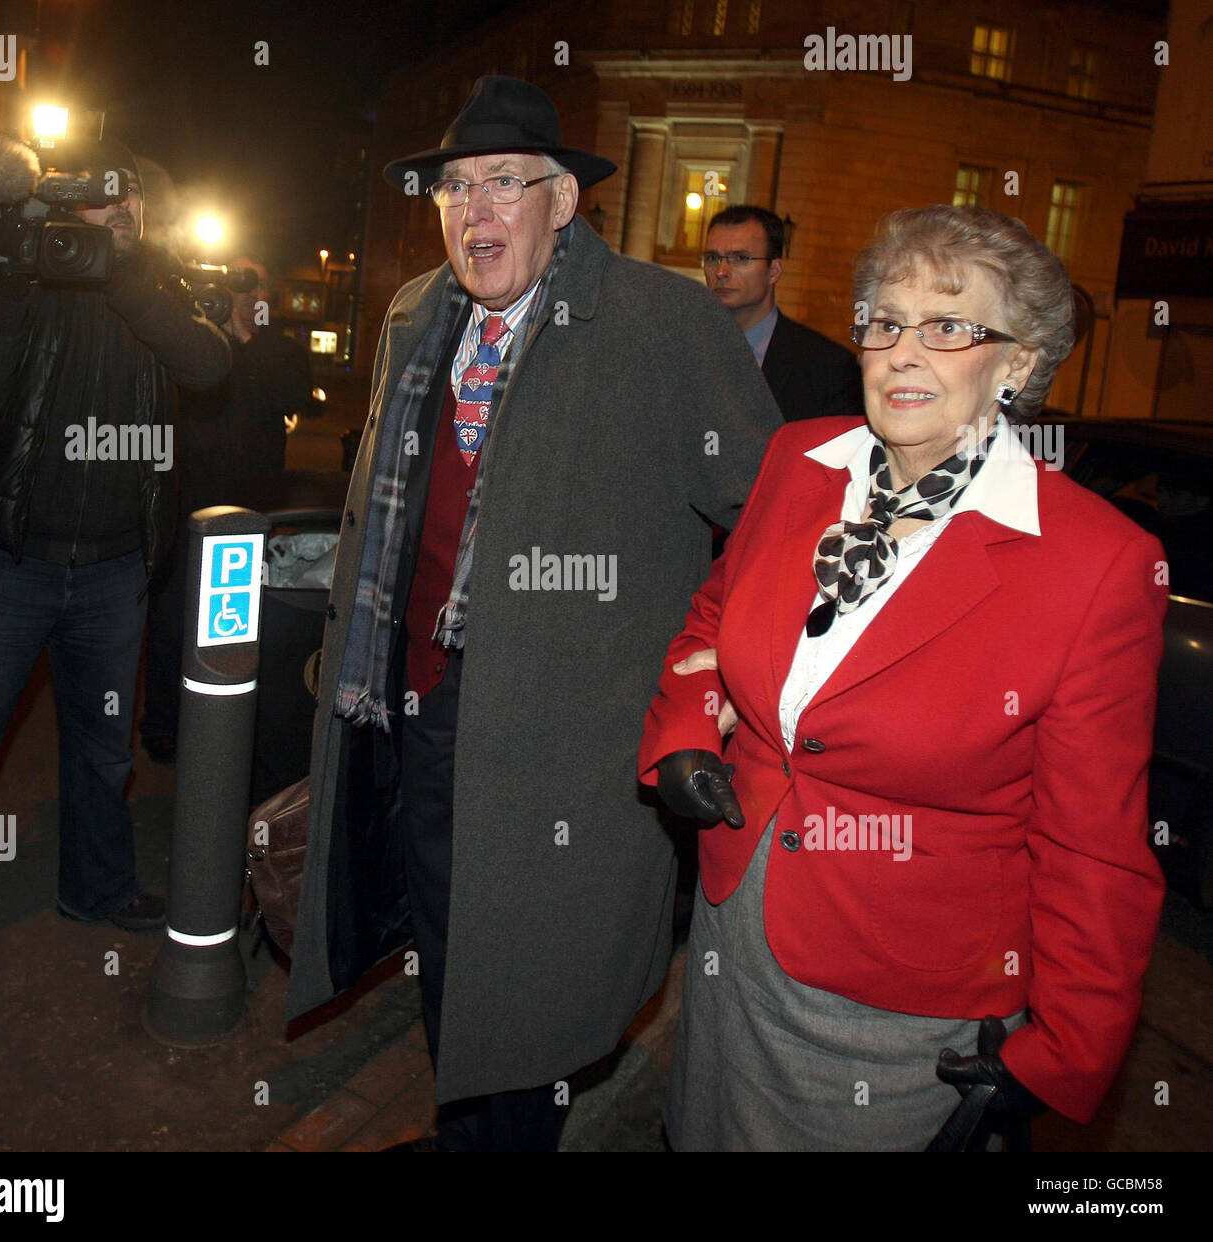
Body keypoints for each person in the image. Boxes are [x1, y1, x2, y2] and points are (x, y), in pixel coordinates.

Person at [284, 76, 781, 1151]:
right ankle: (467, 1125)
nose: (475, 212)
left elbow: (772, 521)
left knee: (534, 981)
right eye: (455, 187)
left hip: (567, 744)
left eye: (504, 184)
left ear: (563, 202)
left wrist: (704, 680)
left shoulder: (661, 321)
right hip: (414, 704)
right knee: (444, 943)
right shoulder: (418, 310)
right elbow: (389, 507)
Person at [640, 204, 1167, 1151]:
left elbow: (1095, 851)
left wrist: (1064, 1051)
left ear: (1017, 361)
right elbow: (712, 621)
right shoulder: (801, 460)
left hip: (897, 1007)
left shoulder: (1096, 563)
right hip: (735, 932)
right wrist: (682, 733)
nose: (904, 352)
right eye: (884, 322)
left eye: (949, 327)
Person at [0, 138, 231, 969]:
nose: (120, 207)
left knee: (101, 751)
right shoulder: (26, 279)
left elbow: (207, 362)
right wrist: (12, 285)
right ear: (63, 203)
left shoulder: (155, 293)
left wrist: (122, 277)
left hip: (113, 574)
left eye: (131, 196)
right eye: (100, 193)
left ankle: (95, 890)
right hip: (4, 568)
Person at [140, 254, 312, 761]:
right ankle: (166, 727)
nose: (242, 292)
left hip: (254, 514)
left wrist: (244, 332)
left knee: (240, 627)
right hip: (185, 510)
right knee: (174, 622)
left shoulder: (280, 349)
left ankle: (236, 727)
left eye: (252, 284)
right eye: (233, 283)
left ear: (266, 294)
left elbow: (290, 393)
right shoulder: (193, 341)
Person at [704, 204, 863, 422]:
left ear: (774, 271)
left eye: (740, 258)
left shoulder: (829, 368)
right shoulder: (679, 350)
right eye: (713, 258)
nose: (721, 271)